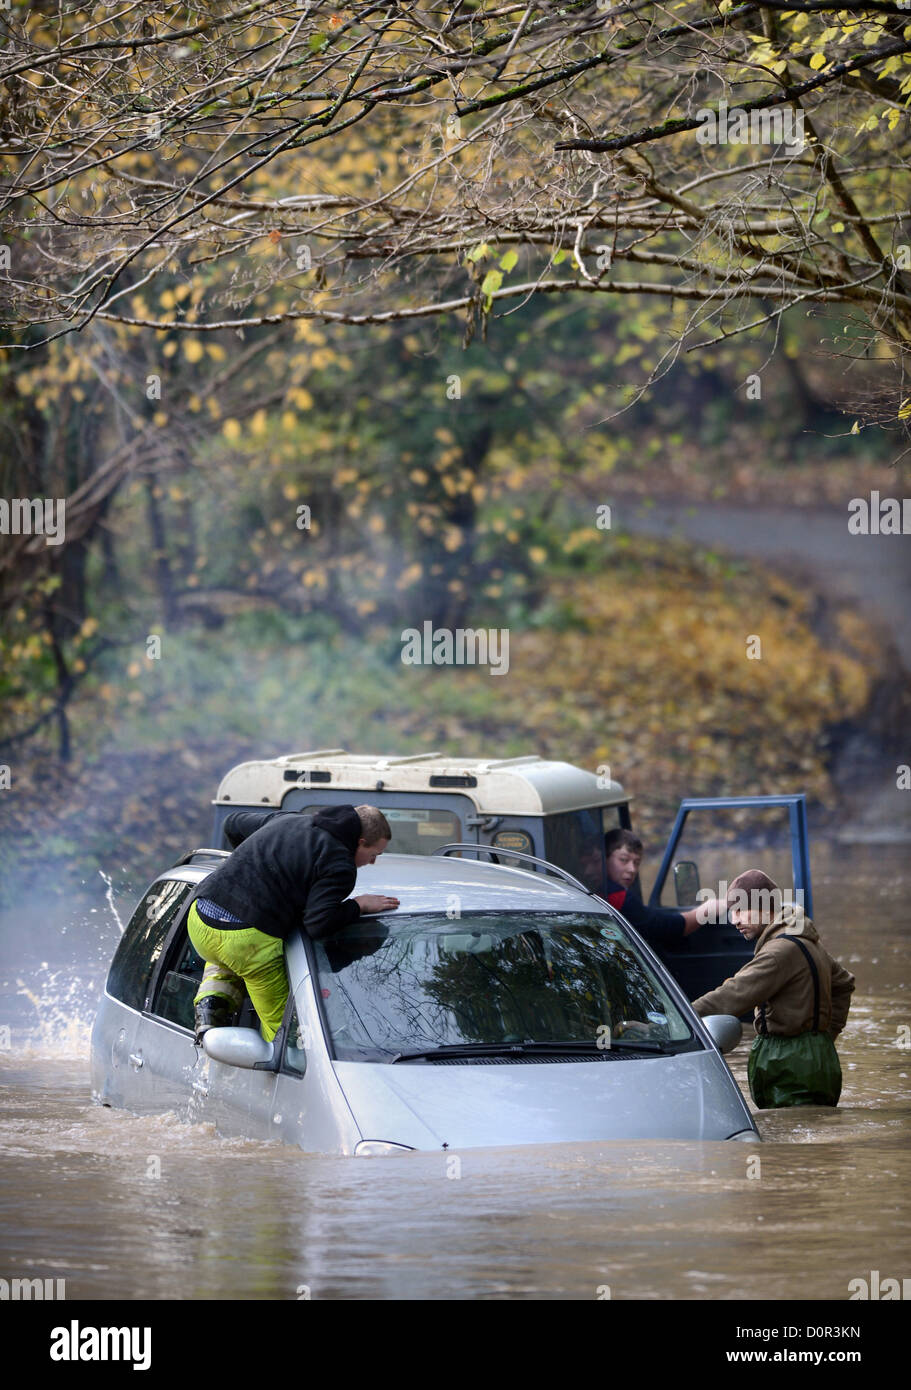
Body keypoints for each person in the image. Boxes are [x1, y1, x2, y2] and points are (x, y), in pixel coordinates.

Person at [187, 803, 399, 1044]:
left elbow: (232, 822)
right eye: (374, 855)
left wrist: (250, 866)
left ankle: (211, 1007)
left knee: (227, 957)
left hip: (200, 918)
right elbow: (318, 924)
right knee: (287, 1033)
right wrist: (358, 905)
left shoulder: (287, 819)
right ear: (360, 842)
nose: (371, 863)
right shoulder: (340, 864)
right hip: (247, 941)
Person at [690, 868, 855, 1108]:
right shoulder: (806, 941)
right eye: (732, 912)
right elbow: (844, 984)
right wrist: (824, 1037)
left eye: (740, 910)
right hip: (816, 1060)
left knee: (789, 1135)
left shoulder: (780, 952)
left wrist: (679, 1016)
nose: (734, 921)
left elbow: (731, 996)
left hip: (790, 1064)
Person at [599, 827, 722, 947]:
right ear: (604, 859)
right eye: (624, 860)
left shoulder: (602, 890)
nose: (632, 869)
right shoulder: (615, 896)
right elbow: (663, 927)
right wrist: (706, 911)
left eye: (636, 863)